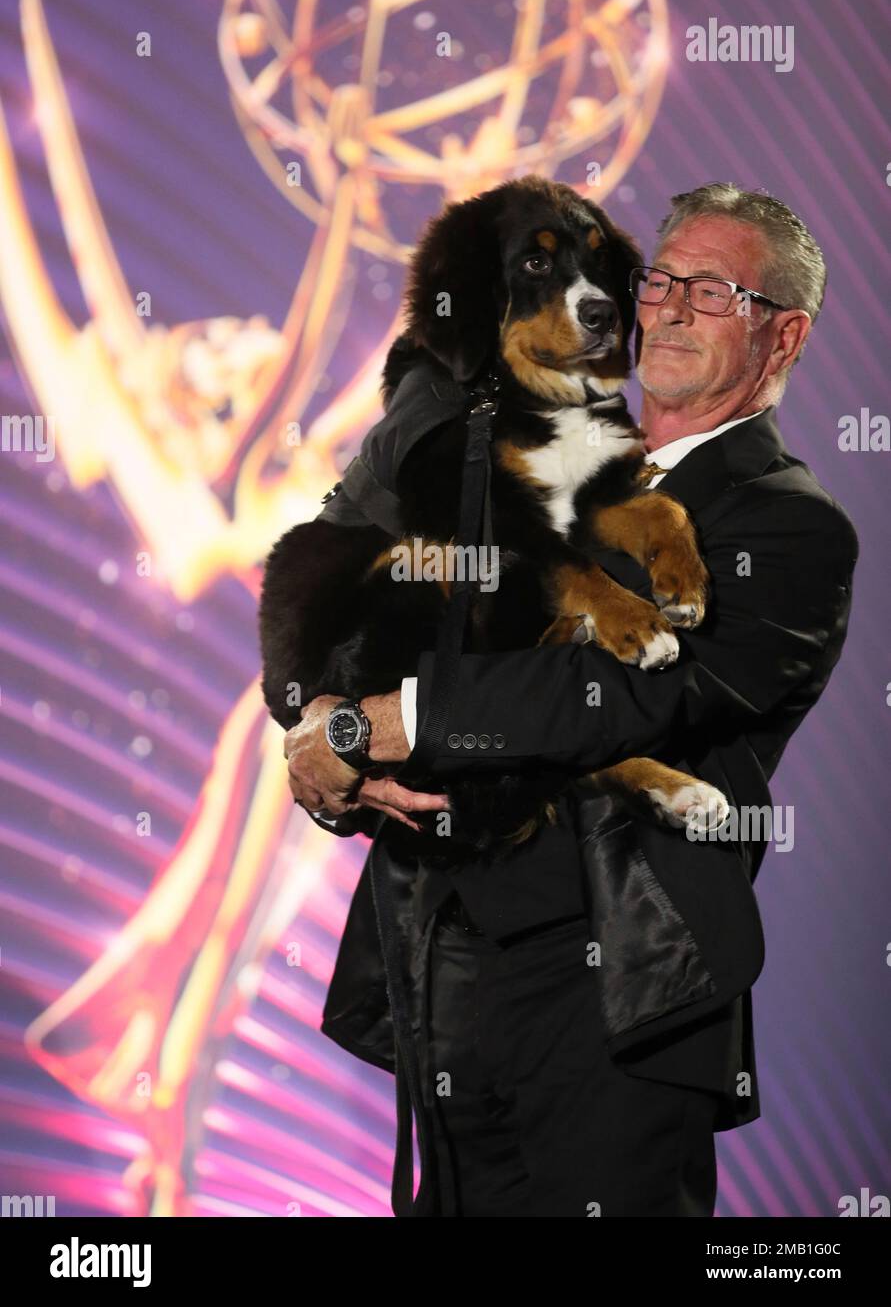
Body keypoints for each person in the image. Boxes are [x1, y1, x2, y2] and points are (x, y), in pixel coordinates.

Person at [279, 184, 858, 1216]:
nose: (671, 306)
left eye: (714, 290)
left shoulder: (791, 526)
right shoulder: (520, 445)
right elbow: (352, 563)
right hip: (441, 958)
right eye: (663, 279)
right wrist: (322, 722)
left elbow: (617, 693)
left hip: (621, 994)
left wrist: (402, 717)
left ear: (786, 336)